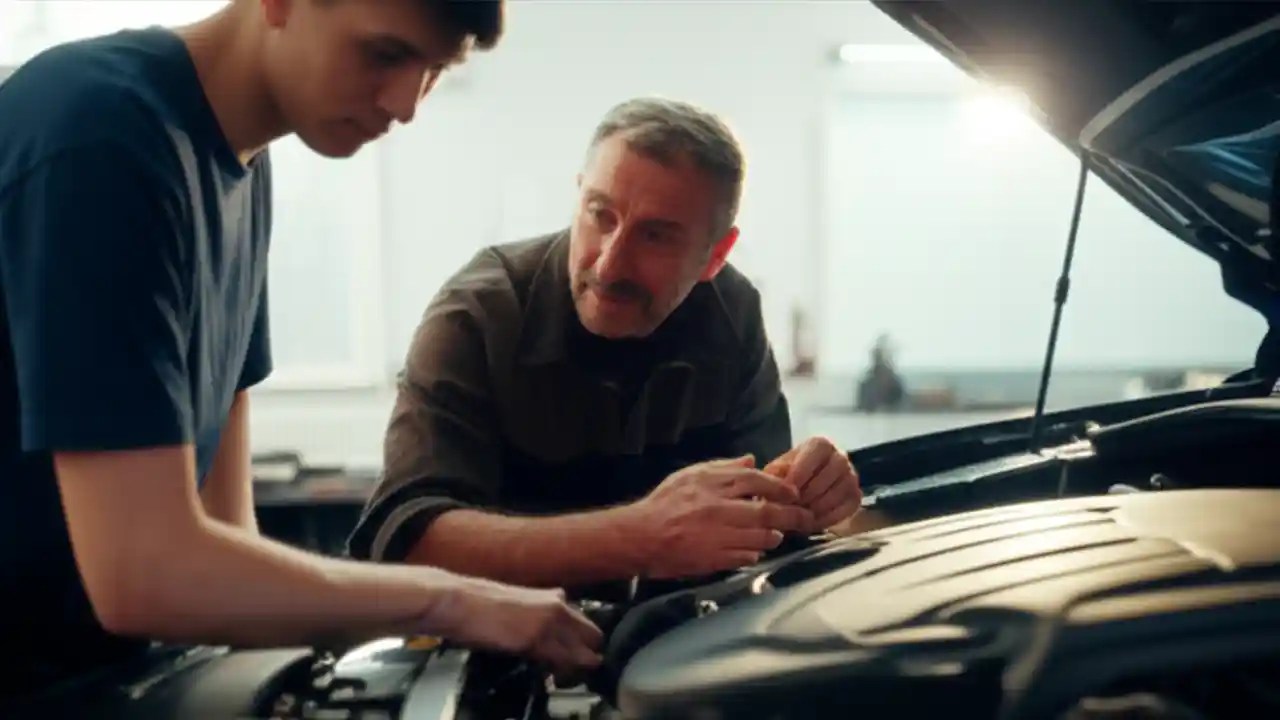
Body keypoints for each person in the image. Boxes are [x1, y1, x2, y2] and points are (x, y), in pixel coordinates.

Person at [0, 0, 602, 702]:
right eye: (384, 54)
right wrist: (451, 600)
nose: (406, 104)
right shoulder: (100, 136)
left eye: (434, 71)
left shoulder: (244, 170)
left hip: (119, 674)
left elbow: (224, 538)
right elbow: (145, 574)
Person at [346, 97, 864, 595]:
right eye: (600, 215)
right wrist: (640, 537)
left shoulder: (733, 314)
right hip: (492, 657)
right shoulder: (480, 313)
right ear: (578, 198)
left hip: (668, 653)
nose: (610, 265)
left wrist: (811, 490)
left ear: (715, 256)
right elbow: (403, 544)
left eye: (656, 236)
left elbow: (763, 520)